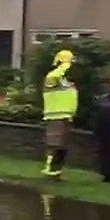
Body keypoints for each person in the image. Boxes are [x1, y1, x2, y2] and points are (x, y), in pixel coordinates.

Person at [41, 49, 79, 178]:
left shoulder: (64, 79)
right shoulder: (52, 77)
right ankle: (49, 171)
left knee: (61, 146)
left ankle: (56, 171)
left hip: (65, 117)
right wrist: (65, 64)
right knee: (54, 145)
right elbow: (52, 77)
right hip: (55, 116)